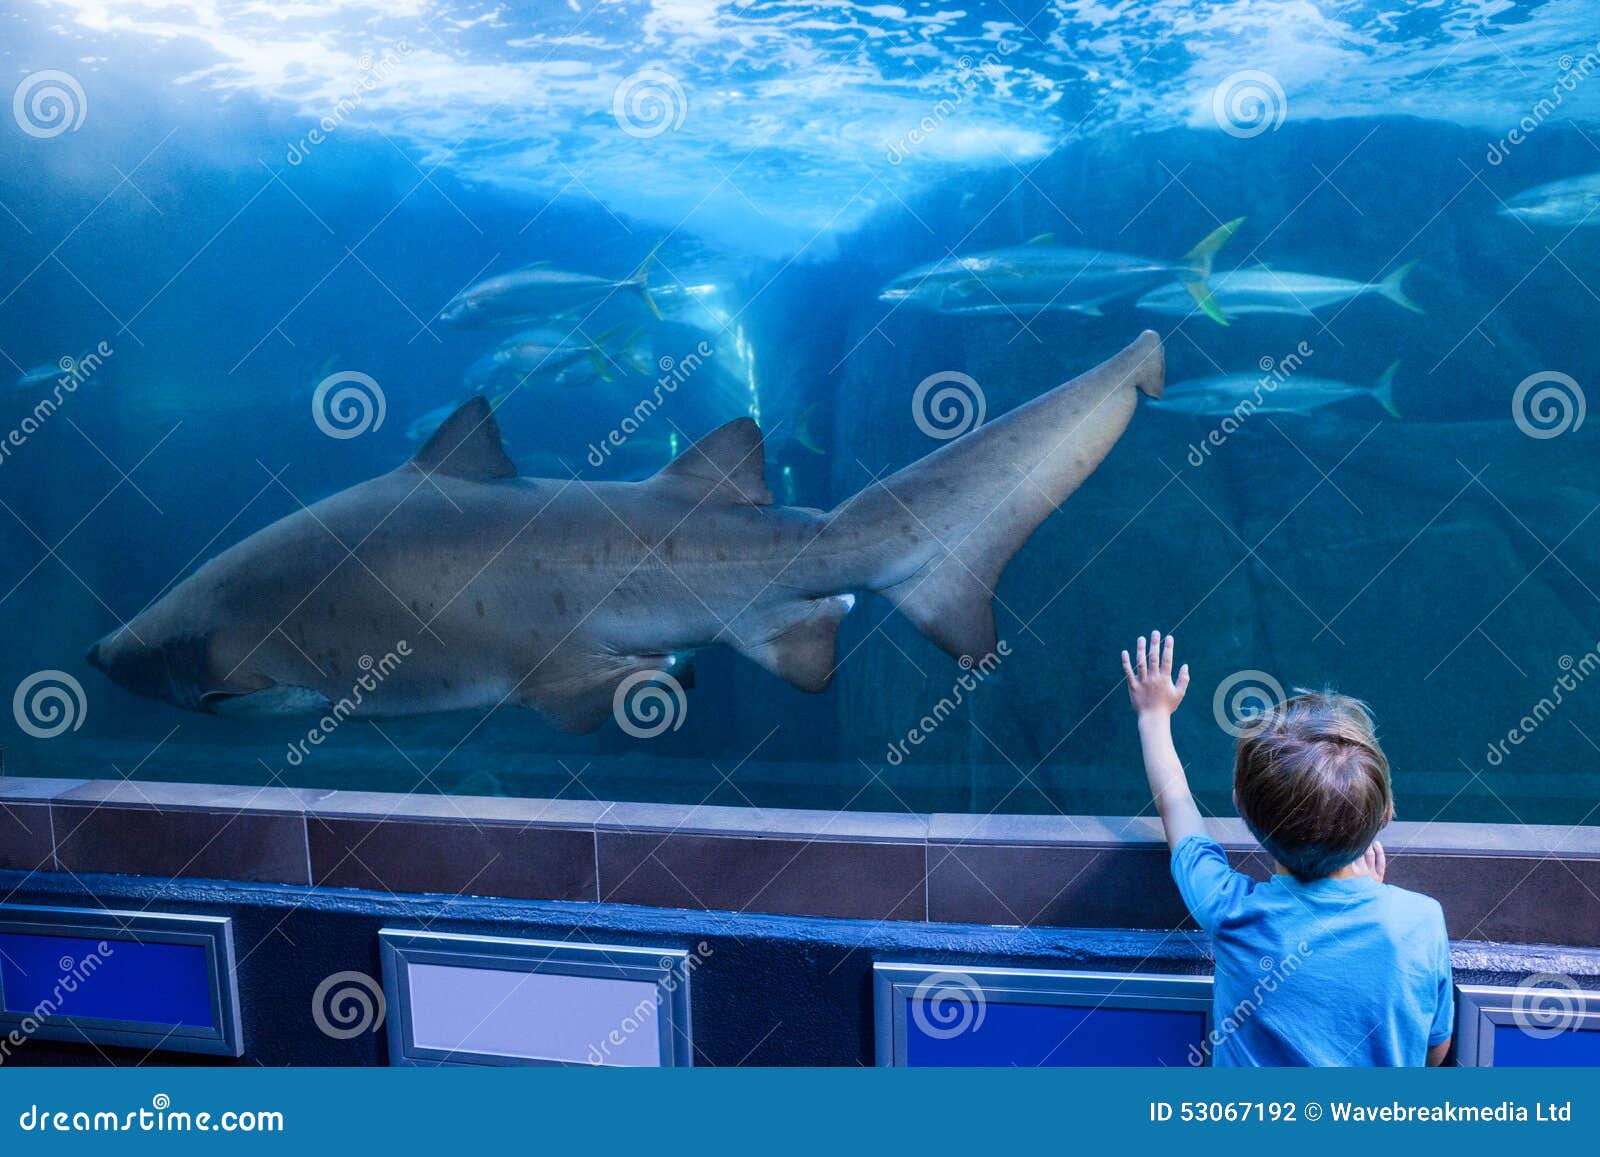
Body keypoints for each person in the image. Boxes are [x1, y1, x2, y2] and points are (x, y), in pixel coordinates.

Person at [1121, 630, 1453, 1066]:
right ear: (1386, 813)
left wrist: (1153, 715)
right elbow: (1436, 1050)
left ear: (1240, 802)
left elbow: (1176, 807)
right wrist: (1369, 896)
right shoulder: (1418, 922)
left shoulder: (1232, 911)